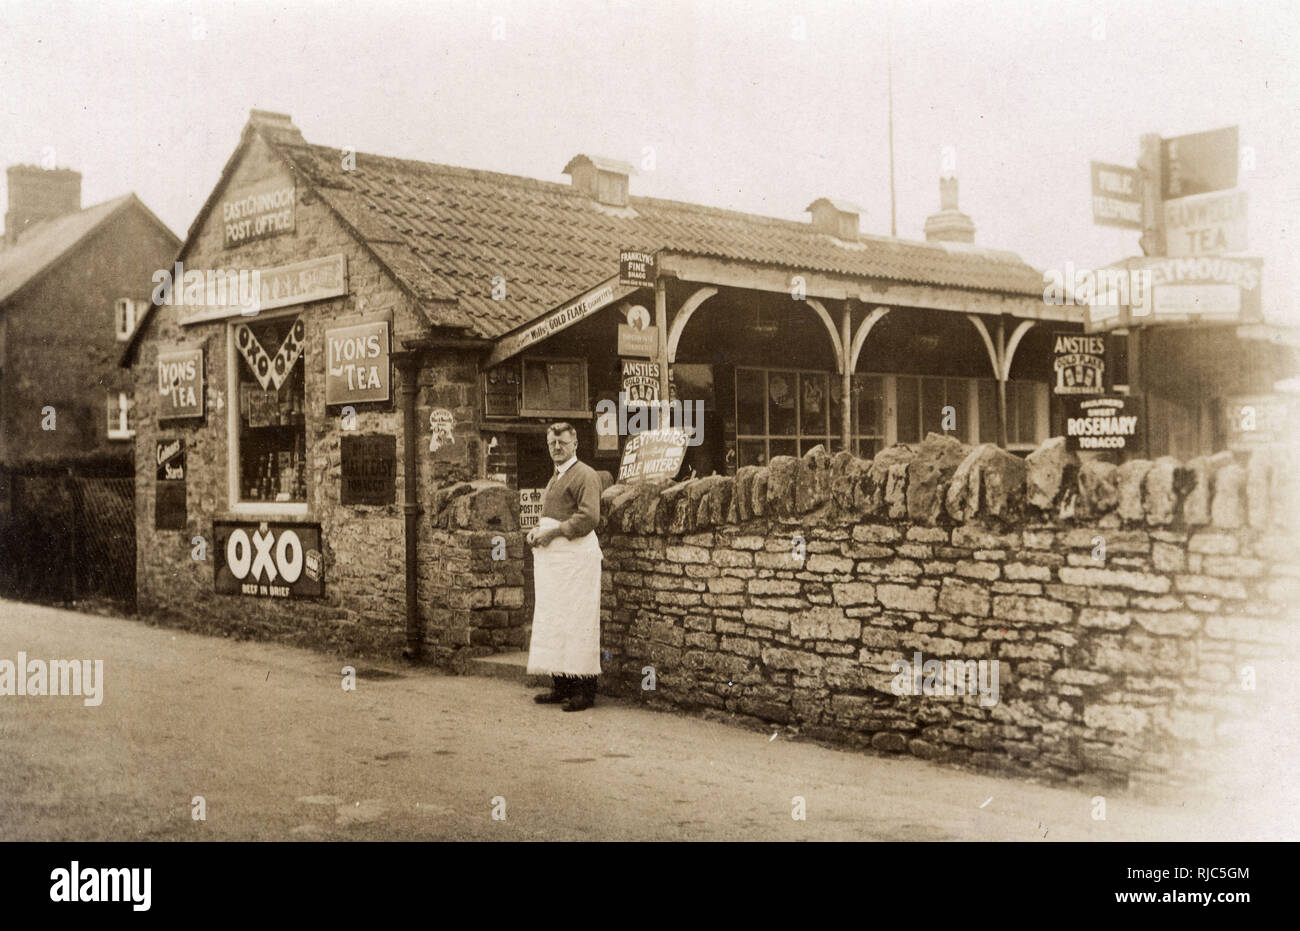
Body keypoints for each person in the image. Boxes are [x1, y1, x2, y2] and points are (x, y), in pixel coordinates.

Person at [526, 423, 604, 711]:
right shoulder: (555, 477)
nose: (556, 448)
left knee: (578, 621)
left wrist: (553, 533)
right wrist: (537, 531)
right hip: (556, 563)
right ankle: (561, 685)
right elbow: (553, 516)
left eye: (562, 442)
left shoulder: (585, 474)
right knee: (556, 620)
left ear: (575, 444)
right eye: (552, 443)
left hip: (577, 560)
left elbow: (588, 517)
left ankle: (584, 692)